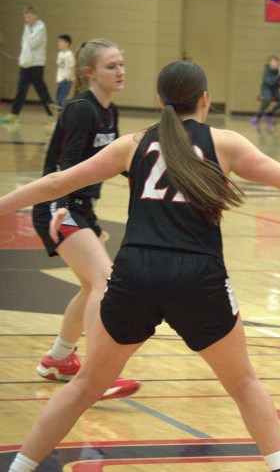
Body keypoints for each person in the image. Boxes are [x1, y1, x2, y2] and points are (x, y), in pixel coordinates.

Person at [2, 60, 280, 472]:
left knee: (84, 386)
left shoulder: (134, 143)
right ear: (205, 99)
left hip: (136, 272)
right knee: (244, 384)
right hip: (197, 275)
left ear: (161, 101)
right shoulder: (225, 143)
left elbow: (56, 183)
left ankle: (20, 468)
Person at [32, 38, 140, 401]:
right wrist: (61, 205)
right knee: (104, 280)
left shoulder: (109, 111)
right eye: (111, 66)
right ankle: (97, 374)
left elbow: (112, 161)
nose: (120, 71)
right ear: (89, 72)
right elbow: (67, 166)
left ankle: (59, 360)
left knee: (89, 285)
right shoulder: (81, 109)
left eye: (122, 63)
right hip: (58, 204)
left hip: (81, 206)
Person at [2, 6, 55, 126]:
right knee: (21, 89)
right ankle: (14, 114)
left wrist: (29, 31)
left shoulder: (40, 27)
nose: (27, 19)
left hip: (36, 64)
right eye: (25, 17)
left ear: (35, 16)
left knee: (42, 91)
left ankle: (52, 115)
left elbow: (32, 43)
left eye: (29, 17)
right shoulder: (27, 27)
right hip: (25, 64)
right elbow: (24, 45)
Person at [250, 55, 280, 131]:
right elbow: (270, 82)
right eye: (273, 62)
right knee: (267, 99)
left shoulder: (279, 70)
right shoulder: (267, 70)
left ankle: (270, 113)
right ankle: (258, 115)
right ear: (269, 63)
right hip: (266, 88)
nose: (275, 64)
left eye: (277, 63)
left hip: (275, 89)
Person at [54, 34, 76, 109]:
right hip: (61, 79)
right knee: (58, 100)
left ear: (67, 43)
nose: (59, 43)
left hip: (66, 80)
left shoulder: (69, 54)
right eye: (58, 41)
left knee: (61, 101)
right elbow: (60, 67)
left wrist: (69, 77)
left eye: (61, 41)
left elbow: (73, 66)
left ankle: (65, 115)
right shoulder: (60, 54)